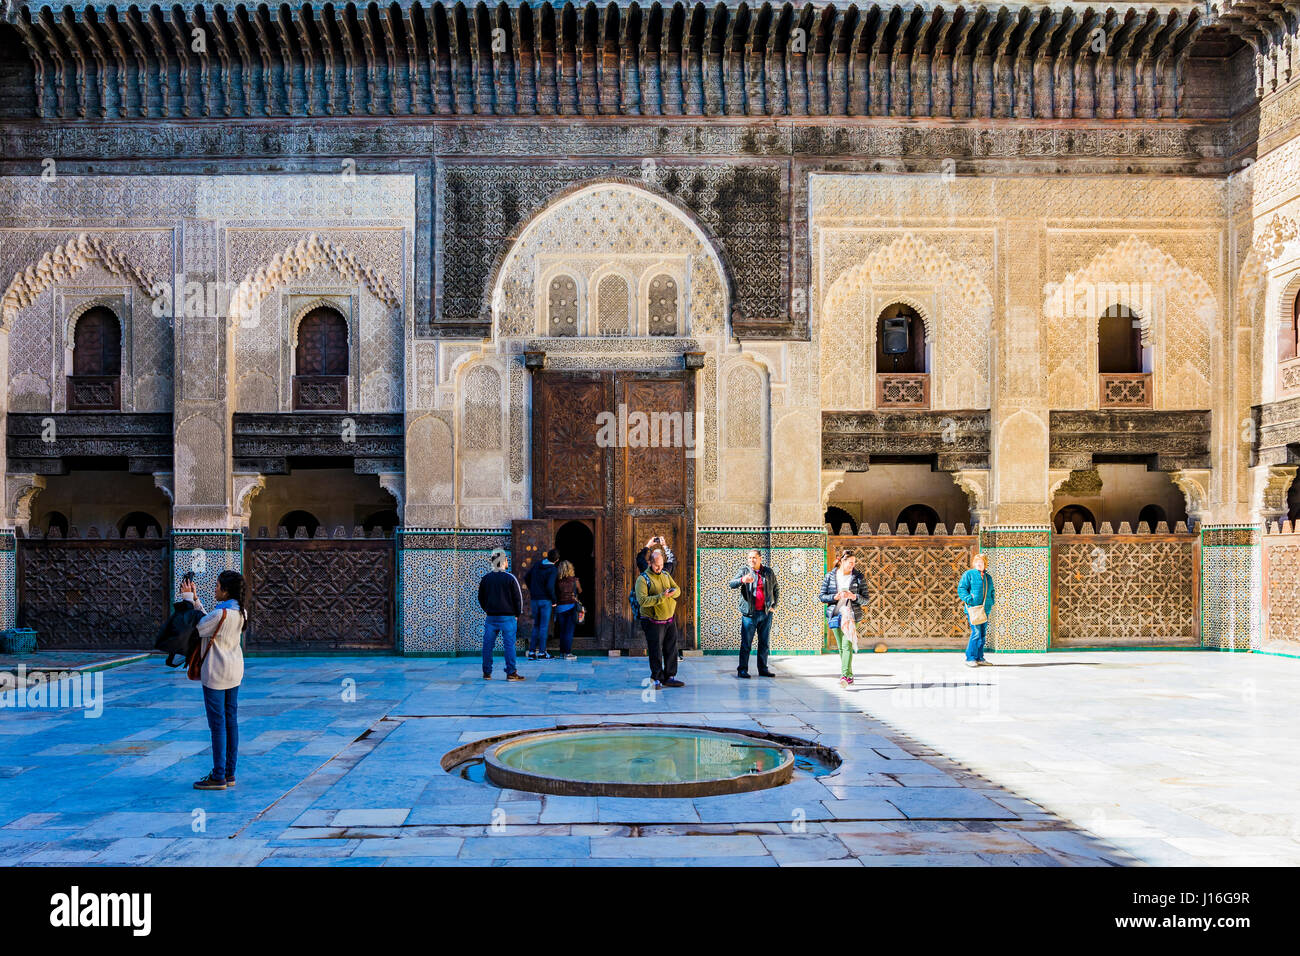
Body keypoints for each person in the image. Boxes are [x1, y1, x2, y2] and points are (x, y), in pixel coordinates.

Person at [181, 569, 247, 791]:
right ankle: (229, 772)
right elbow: (212, 622)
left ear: (226, 590)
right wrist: (197, 600)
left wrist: (188, 600)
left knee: (217, 724)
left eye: (218, 586)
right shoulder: (239, 611)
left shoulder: (221, 614)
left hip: (216, 673)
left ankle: (218, 775)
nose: (215, 589)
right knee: (231, 721)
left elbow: (200, 627)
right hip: (234, 671)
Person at [634, 547, 684, 689]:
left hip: (669, 619)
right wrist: (662, 596)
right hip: (652, 621)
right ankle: (656, 677)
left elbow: (678, 590)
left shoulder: (666, 575)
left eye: (662, 565)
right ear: (650, 563)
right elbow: (642, 601)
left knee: (671, 648)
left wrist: (672, 593)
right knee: (655, 650)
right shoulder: (642, 579)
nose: (659, 568)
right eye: (657, 565)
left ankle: (670, 676)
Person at [819, 549, 868, 687]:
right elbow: (822, 596)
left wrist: (854, 597)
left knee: (847, 645)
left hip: (851, 615)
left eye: (854, 563)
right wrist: (834, 597)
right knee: (841, 647)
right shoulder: (830, 576)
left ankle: (845, 676)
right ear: (842, 561)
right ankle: (850, 675)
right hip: (835, 614)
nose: (852, 565)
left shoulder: (858, 577)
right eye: (850, 562)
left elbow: (866, 599)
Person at [728, 549, 779, 678]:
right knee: (746, 644)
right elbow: (731, 584)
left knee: (764, 643)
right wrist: (742, 580)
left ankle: (763, 669)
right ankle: (742, 670)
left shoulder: (768, 572)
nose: (752, 560)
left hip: (765, 614)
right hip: (749, 615)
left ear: (760, 559)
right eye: (750, 558)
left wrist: (774, 605)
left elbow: (776, 588)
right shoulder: (744, 571)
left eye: (754, 558)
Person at [479, 548, 525, 681]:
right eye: (506, 560)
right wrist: (517, 614)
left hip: (491, 617)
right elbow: (518, 599)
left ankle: (487, 673)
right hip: (508, 618)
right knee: (509, 645)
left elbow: (480, 598)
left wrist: (488, 610)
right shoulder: (510, 578)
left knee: (488, 645)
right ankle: (511, 673)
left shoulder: (486, 578)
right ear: (504, 561)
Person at [958, 552, 995, 667]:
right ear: (974, 563)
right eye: (977, 562)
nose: (979, 564)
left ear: (985, 564)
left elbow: (992, 591)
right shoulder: (969, 574)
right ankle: (970, 658)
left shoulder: (988, 577)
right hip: (973, 609)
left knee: (982, 634)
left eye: (982, 562)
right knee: (976, 633)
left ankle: (980, 658)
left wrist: (991, 601)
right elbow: (962, 588)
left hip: (984, 610)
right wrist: (969, 600)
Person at [524, 548, 559, 660]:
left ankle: (532, 652)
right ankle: (542, 652)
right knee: (544, 627)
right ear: (557, 560)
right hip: (545, 601)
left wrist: (533, 590)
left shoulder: (537, 564)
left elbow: (526, 577)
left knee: (536, 625)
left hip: (535, 600)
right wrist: (554, 601)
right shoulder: (553, 569)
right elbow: (550, 587)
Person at [553, 560, 582, 661]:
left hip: (560, 608)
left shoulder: (557, 581)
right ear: (571, 569)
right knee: (569, 631)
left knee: (562, 631)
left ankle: (562, 653)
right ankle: (568, 653)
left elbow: (555, 593)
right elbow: (580, 591)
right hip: (571, 607)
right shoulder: (574, 580)